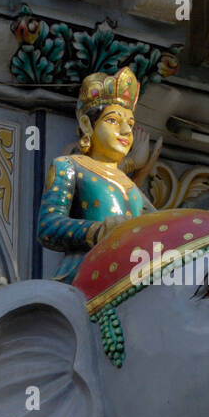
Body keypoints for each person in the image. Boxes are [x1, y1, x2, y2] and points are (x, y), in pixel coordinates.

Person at [37, 66, 160, 282]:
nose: (125, 131)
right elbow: (48, 225)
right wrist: (99, 231)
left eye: (130, 124)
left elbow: (157, 226)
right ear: (87, 124)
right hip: (87, 271)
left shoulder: (130, 186)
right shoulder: (69, 166)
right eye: (113, 120)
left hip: (131, 274)